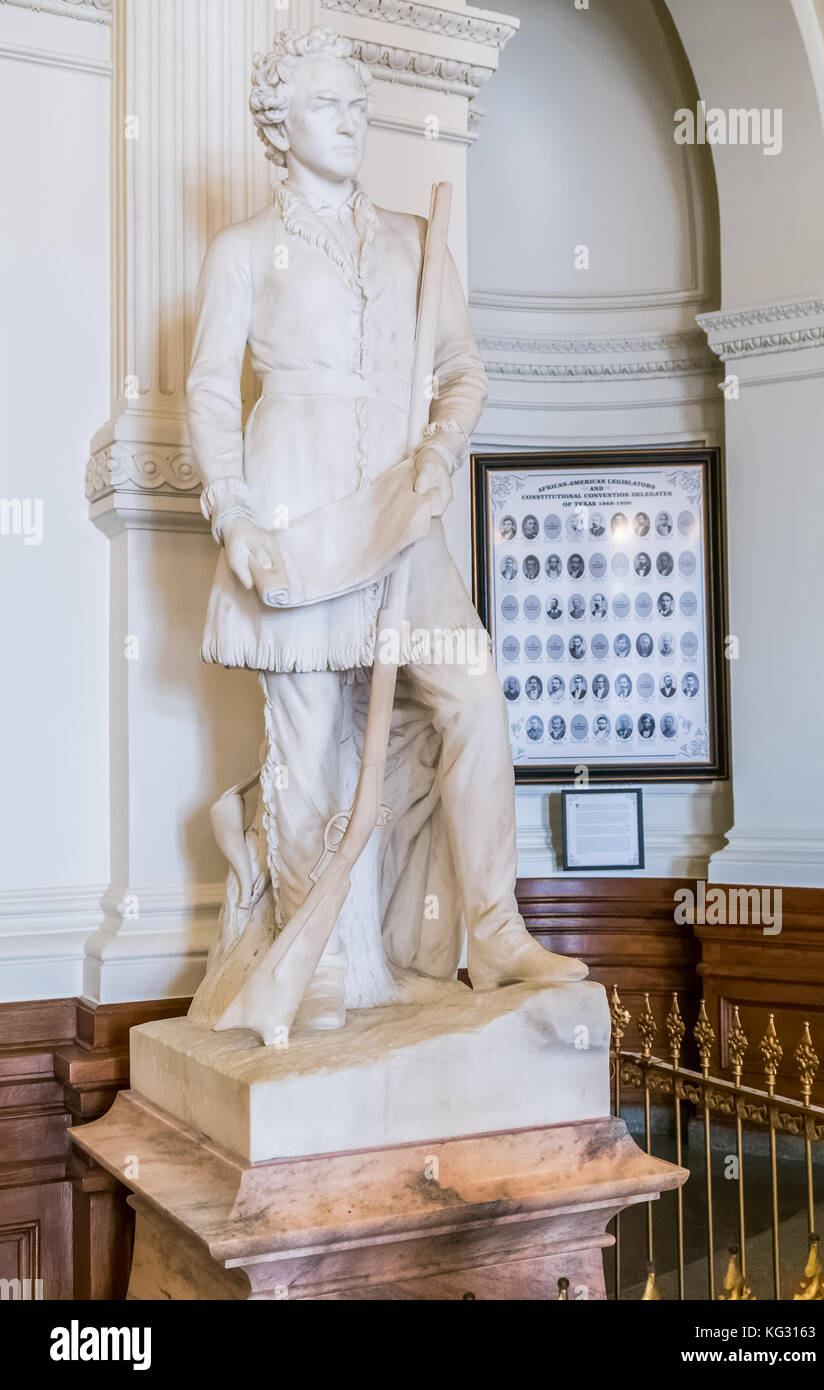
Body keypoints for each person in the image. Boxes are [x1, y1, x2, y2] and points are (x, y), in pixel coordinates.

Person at [187, 26, 582, 1033]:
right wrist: (231, 515)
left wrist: (441, 452)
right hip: (295, 514)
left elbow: (461, 368)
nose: (351, 123)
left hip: (403, 517)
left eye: (359, 106)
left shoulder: (417, 239)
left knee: (472, 696)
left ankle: (492, 931)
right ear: (280, 124)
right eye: (328, 106)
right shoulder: (240, 253)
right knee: (308, 745)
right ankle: (306, 951)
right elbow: (206, 399)